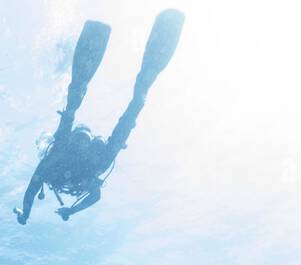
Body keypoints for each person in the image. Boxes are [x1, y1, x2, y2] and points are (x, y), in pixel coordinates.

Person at [15, 10, 185, 224]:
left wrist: (28, 214)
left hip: (78, 160)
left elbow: (33, 189)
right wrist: (69, 211)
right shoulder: (71, 162)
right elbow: (93, 195)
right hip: (87, 162)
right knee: (75, 113)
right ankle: (140, 91)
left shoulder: (53, 163)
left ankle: (140, 92)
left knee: (121, 115)